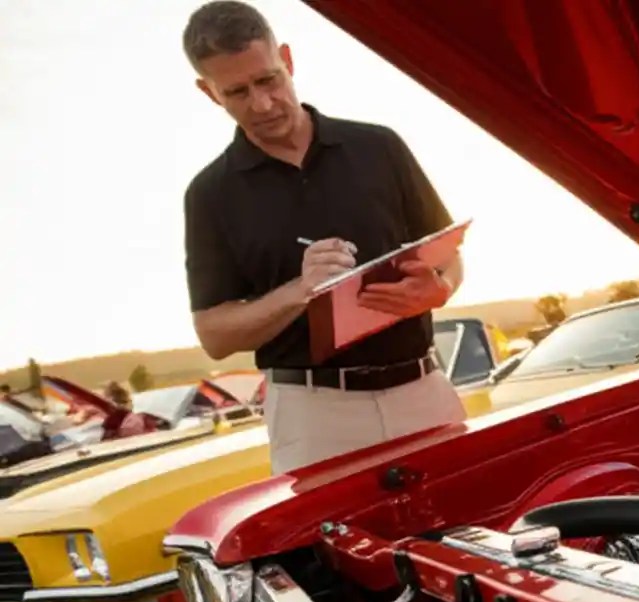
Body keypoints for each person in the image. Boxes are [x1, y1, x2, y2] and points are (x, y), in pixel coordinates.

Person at [180, 1, 466, 474]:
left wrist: (442, 287)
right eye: (237, 92)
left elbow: (449, 254)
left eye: (268, 80)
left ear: (288, 61)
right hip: (314, 417)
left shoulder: (380, 146)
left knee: (467, 539)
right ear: (208, 92)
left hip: (423, 392)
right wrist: (298, 292)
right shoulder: (209, 194)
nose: (262, 104)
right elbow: (213, 335)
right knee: (336, 551)